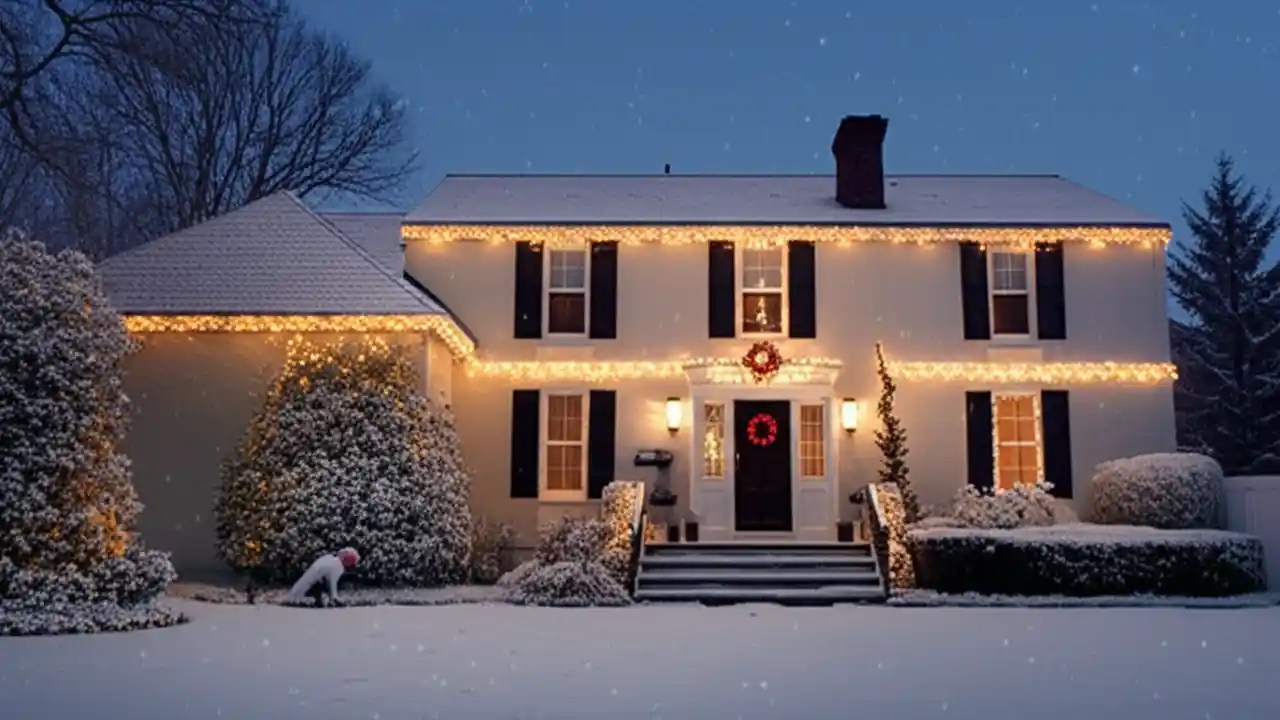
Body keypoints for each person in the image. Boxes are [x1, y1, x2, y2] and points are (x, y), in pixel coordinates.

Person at [285, 547, 360, 607]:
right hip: (304, 594)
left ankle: (317, 600)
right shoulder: (337, 566)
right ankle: (317, 601)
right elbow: (332, 583)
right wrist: (335, 598)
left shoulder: (329, 558)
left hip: (297, 592)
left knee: (321, 581)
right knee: (321, 583)